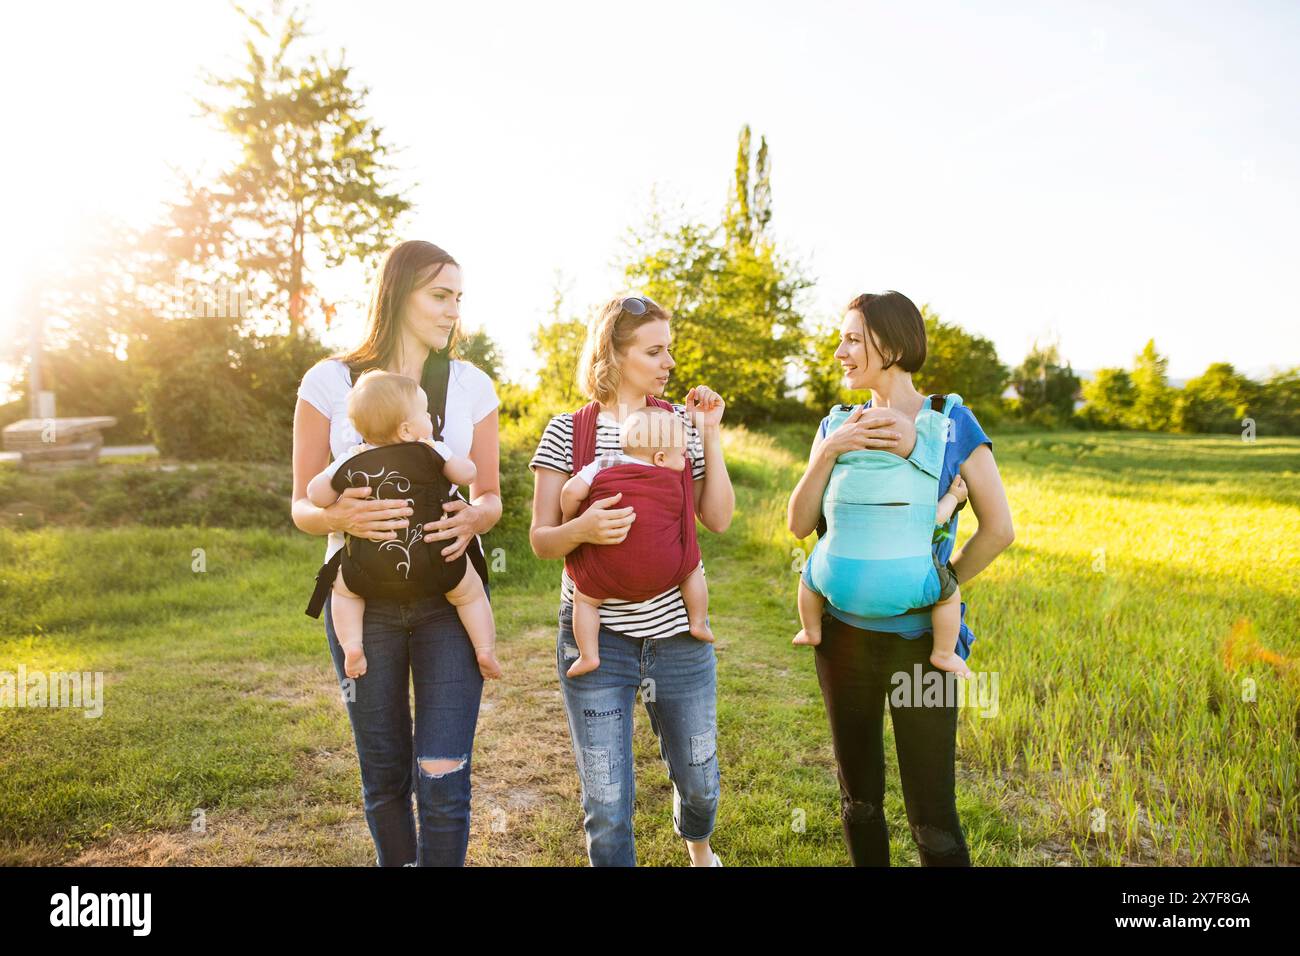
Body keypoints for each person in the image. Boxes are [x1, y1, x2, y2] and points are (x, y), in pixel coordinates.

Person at [291, 240, 501, 866]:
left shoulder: (471, 385)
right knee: (384, 774)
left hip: (447, 598)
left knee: (443, 768)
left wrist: (474, 516)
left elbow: (491, 496)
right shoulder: (327, 381)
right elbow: (302, 506)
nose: (452, 311)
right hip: (362, 600)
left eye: (459, 298)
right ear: (397, 294)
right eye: (440, 296)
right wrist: (339, 515)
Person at [787, 290, 1015, 866]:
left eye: (852, 339)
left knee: (932, 814)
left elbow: (998, 529)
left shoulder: (952, 422)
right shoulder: (838, 423)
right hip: (843, 642)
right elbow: (799, 524)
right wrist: (826, 453)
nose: (840, 351)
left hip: (922, 649)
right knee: (859, 800)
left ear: (889, 345)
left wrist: (940, 583)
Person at [528, 294, 735, 866]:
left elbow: (716, 519)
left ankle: (699, 847)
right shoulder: (568, 432)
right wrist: (584, 527)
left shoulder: (678, 427)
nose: (668, 362)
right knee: (607, 799)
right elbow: (542, 540)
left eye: (669, 349)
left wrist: (709, 433)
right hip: (598, 639)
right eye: (654, 350)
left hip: (677, 638)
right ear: (614, 355)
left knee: (700, 781)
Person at [306, 369, 500, 682]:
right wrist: (450, 456)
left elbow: (315, 493)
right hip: (437, 559)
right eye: (424, 412)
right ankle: (484, 648)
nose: (429, 418)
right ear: (408, 429)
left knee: (344, 593)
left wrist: (336, 503)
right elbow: (466, 474)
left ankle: (353, 647)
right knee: (470, 594)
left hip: (369, 567)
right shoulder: (430, 449)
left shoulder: (353, 457)